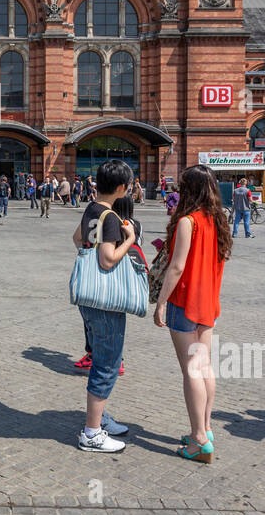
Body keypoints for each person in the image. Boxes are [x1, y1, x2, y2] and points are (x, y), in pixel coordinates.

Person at [151, 164, 231, 463]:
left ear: (190, 189)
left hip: (185, 301)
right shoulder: (217, 219)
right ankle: (206, 429)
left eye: (181, 185)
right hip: (208, 302)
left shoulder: (188, 221)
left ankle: (198, 440)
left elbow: (177, 267)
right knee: (204, 366)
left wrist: (161, 302)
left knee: (191, 371)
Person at [70, 159, 138, 453]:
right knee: (107, 364)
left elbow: (77, 238)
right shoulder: (110, 217)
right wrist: (130, 239)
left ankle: (99, 417)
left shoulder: (91, 209)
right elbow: (107, 259)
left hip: (89, 298)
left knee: (100, 358)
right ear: (122, 188)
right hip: (106, 302)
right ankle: (92, 432)